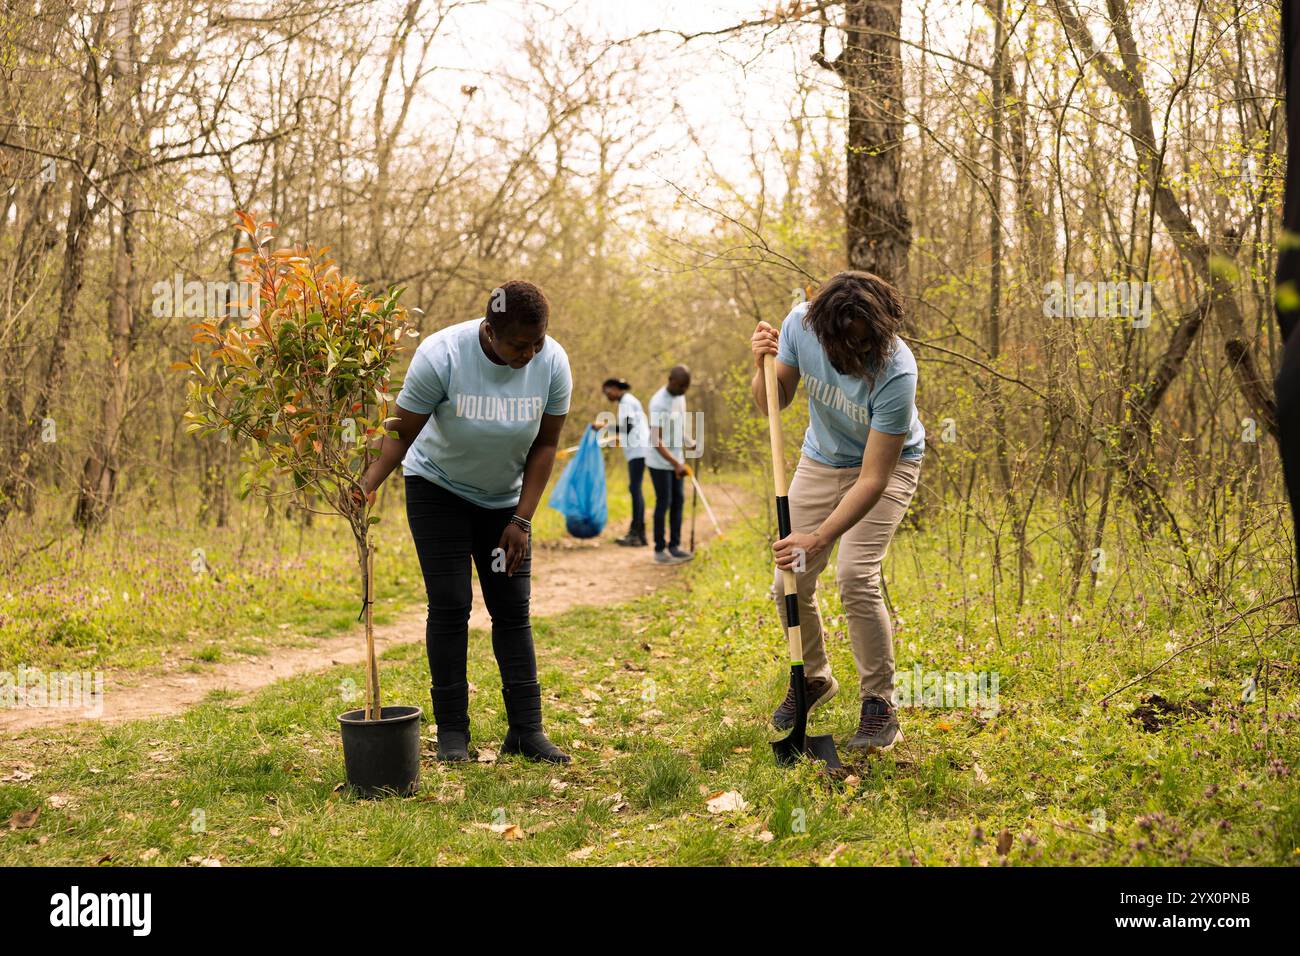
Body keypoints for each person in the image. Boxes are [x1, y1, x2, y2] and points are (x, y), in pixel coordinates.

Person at [358, 280, 571, 764]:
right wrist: (366, 484)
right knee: (451, 605)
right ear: (490, 331)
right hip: (438, 491)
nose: (529, 354)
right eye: (518, 345)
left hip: (505, 503)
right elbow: (401, 435)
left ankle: (526, 731)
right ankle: (453, 732)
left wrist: (522, 519)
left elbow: (545, 445)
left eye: (537, 342)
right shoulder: (442, 356)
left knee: (511, 609)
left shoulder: (553, 362)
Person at [750, 271, 925, 753]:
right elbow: (772, 403)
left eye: (861, 343)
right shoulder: (799, 325)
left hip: (887, 466)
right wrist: (761, 365)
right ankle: (813, 678)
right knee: (789, 577)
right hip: (822, 460)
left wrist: (821, 536)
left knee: (855, 575)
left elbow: (873, 479)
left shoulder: (897, 371)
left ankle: (880, 704)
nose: (850, 355)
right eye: (840, 344)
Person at [646, 365, 695, 564]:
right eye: (681, 386)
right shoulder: (658, 403)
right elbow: (655, 439)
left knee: (678, 501)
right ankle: (659, 550)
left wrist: (688, 441)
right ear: (671, 380)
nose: (684, 390)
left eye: (686, 387)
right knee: (663, 502)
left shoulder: (680, 397)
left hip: (677, 461)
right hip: (659, 462)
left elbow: (676, 427)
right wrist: (675, 463)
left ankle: (674, 546)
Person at [597, 378, 649, 547]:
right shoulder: (627, 401)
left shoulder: (626, 401)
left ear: (614, 388)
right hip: (638, 449)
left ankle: (636, 534)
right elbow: (630, 428)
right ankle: (639, 534)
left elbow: (627, 427)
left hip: (638, 450)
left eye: (607, 392)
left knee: (635, 489)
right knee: (635, 489)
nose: (607, 396)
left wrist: (604, 427)